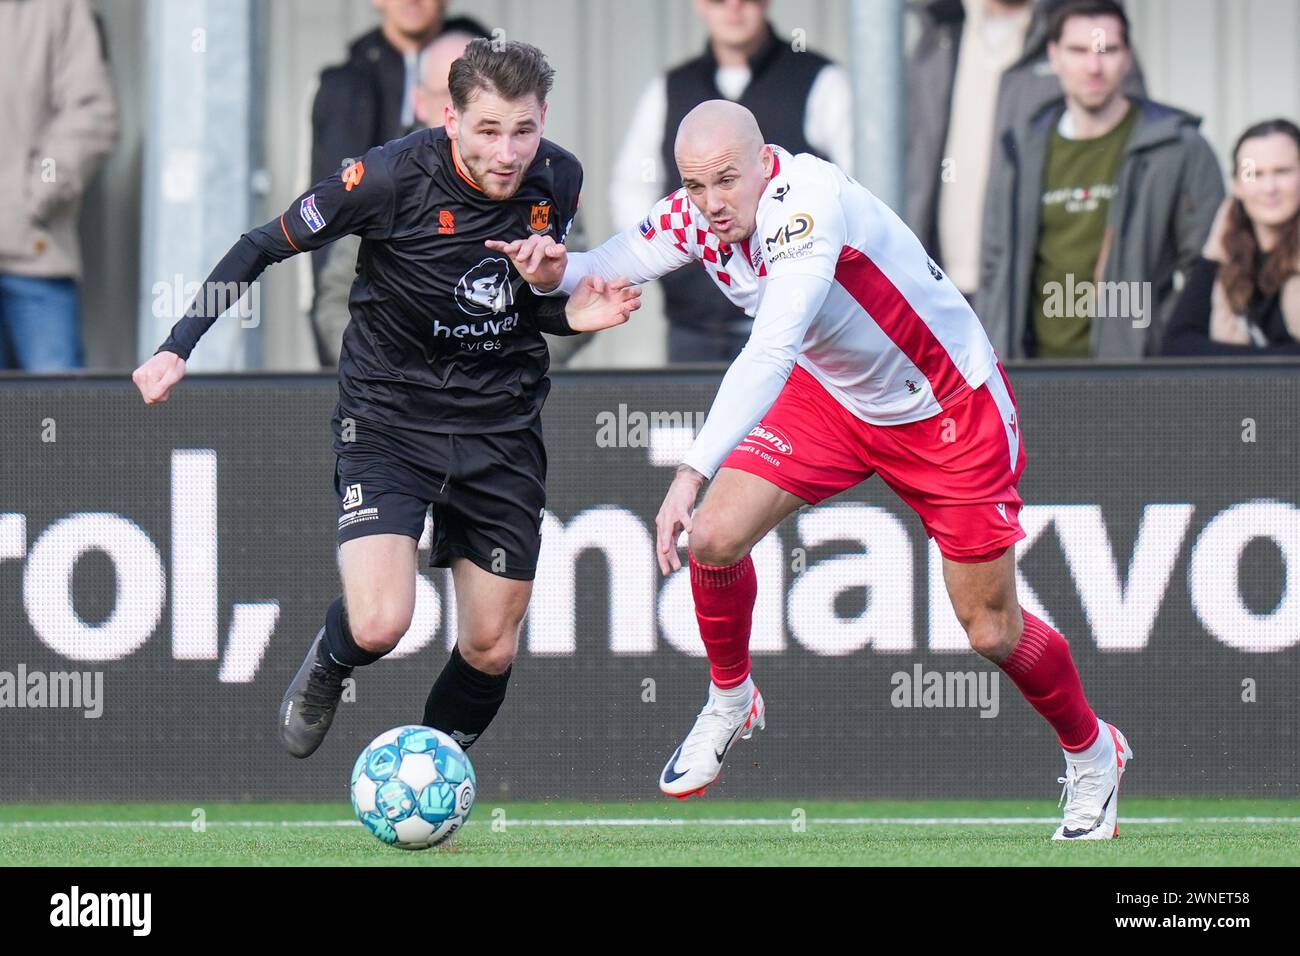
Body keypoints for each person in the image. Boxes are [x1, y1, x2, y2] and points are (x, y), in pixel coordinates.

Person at [493, 99, 1132, 840]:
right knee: (714, 539)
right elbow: (602, 267)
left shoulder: (807, 204)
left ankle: (1093, 753)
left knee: (989, 630)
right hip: (835, 395)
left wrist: (690, 469)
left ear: (766, 163)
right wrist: (553, 272)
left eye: (726, 181)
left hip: (944, 407)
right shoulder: (699, 212)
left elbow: (769, 350)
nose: (711, 204)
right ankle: (732, 699)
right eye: (695, 186)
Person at [132, 40, 641, 759]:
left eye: (523, 130)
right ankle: (332, 662)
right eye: (488, 130)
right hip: (389, 418)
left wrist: (567, 312)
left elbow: (512, 299)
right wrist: (177, 345)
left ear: (544, 119)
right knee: (380, 623)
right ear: (449, 117)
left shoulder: (558, 177)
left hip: (501, 427)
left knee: (491, 648)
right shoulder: (386, 176)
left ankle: (428, 772)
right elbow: (261, 244)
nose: (508, 152)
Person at [609, 0, 852, 363]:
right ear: (699, 5)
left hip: (800, 328)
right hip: (695, 326)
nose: (734, 8)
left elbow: (853, 183)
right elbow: (632, 184)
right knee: (696, 417)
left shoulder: (820, 79)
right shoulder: (671, 87)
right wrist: (674, 259)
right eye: (719, 0)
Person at [978, 0, 1222, 360]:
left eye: (1106, 50)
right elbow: (994, 265)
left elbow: (1208, 268)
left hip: (1135, 377)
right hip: (1030, 375)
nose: (1093, 67)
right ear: (1054, 56)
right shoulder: (1019, 151)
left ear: (1127, 57)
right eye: (1078, 51)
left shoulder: (1180, 147)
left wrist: (1158, 342)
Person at [906, 0, 1146, 302]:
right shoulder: (940, 29)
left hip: (1041, 291)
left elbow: (1130, 165)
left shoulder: (1083, 29)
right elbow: (912, 159)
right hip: (937, 280)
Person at [308, 1, 490, 364]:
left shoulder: (523, 166)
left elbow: (567, 291)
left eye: (470, 99)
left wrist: (508, 372)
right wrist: (381, 370)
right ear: (420, 102)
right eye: (445, 97)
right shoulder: (342, 86)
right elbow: (332, 277)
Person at [0, 0, 117, 370]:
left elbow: (92, 115)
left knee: (57, 415)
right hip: (32, 238)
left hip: (34, 252)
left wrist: (33, 194)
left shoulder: (59, 7)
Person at [1164, 120, 1300, 356]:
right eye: (1254, 174)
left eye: (1282, 171)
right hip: (1240, 394)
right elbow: (1177, 344)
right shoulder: (1221, 249)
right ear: (1237, 185)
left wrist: (1236, 360)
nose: (1269, 188)